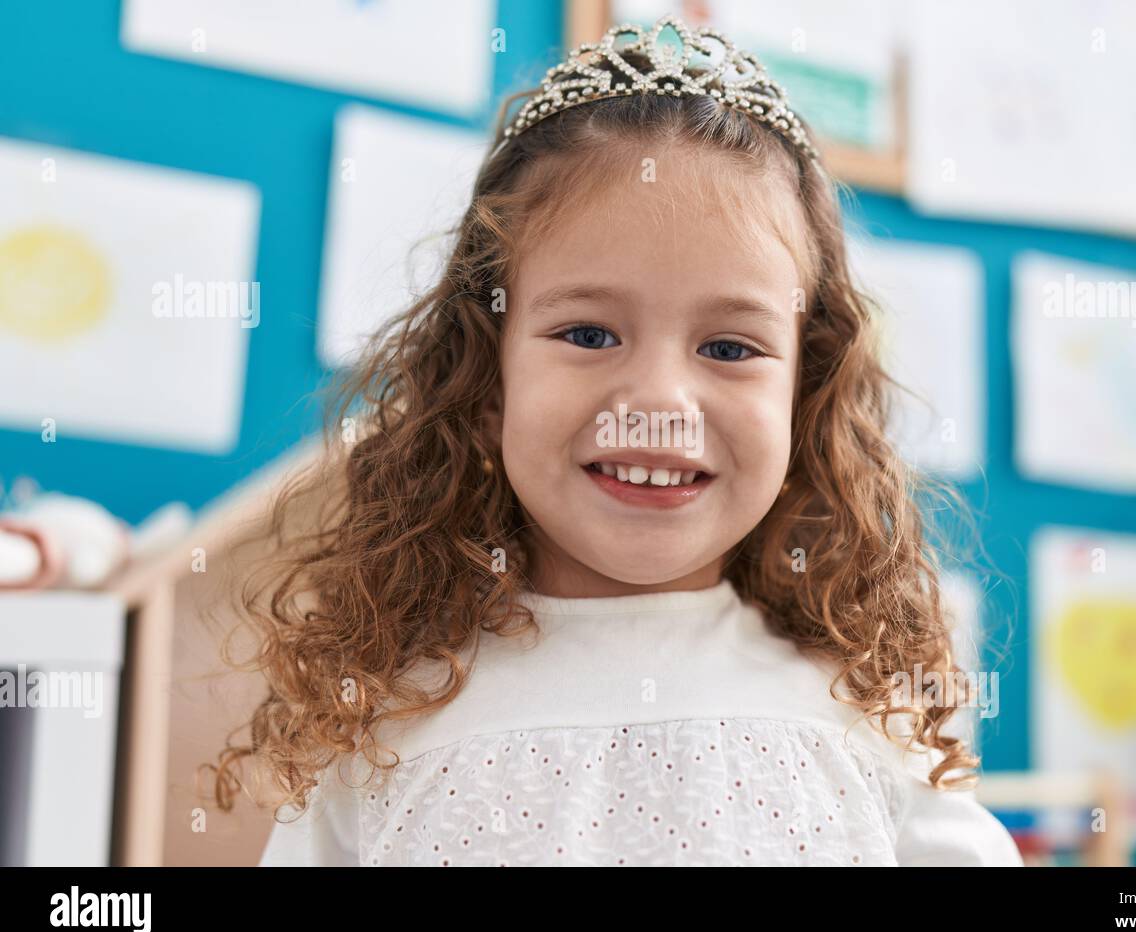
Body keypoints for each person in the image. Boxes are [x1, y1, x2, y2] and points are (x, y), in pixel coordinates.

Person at [212, 14, 1022, 867]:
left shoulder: (860, 721)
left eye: (729, 348)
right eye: (590, 335)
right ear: (487, 385)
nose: (660, 401)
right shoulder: (381, 731)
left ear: (803, 399)